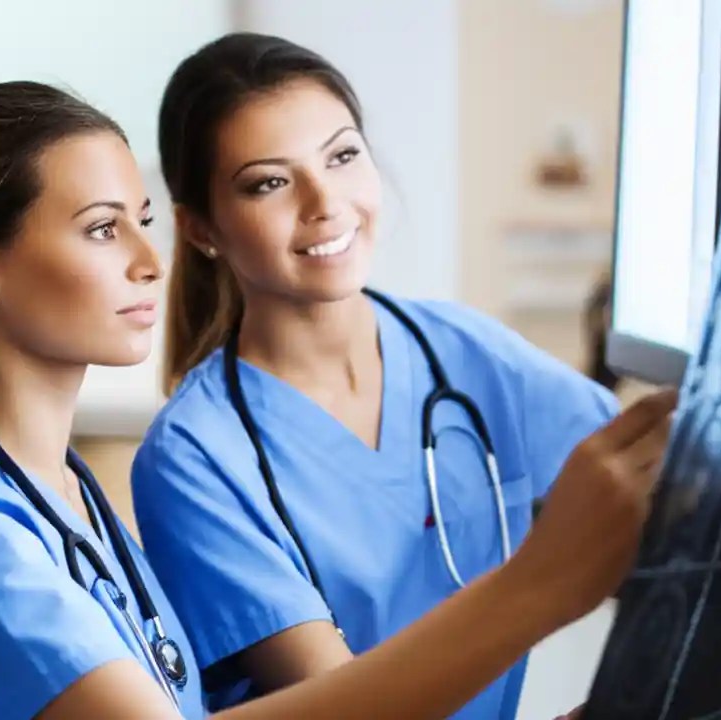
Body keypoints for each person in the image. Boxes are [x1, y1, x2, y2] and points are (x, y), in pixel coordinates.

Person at [0, 79, 675, 720]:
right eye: (103, 229)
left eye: (142, 220)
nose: (150, 260)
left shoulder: (64, 494)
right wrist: (539, 587)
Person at [130, 32, 630, 718]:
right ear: (200, 230)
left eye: (342, 156)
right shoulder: (192, 459)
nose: (324, 202)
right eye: (269, 183)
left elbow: (670, 500)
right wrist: (544, 583)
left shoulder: (465, 353)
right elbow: (349, 704)